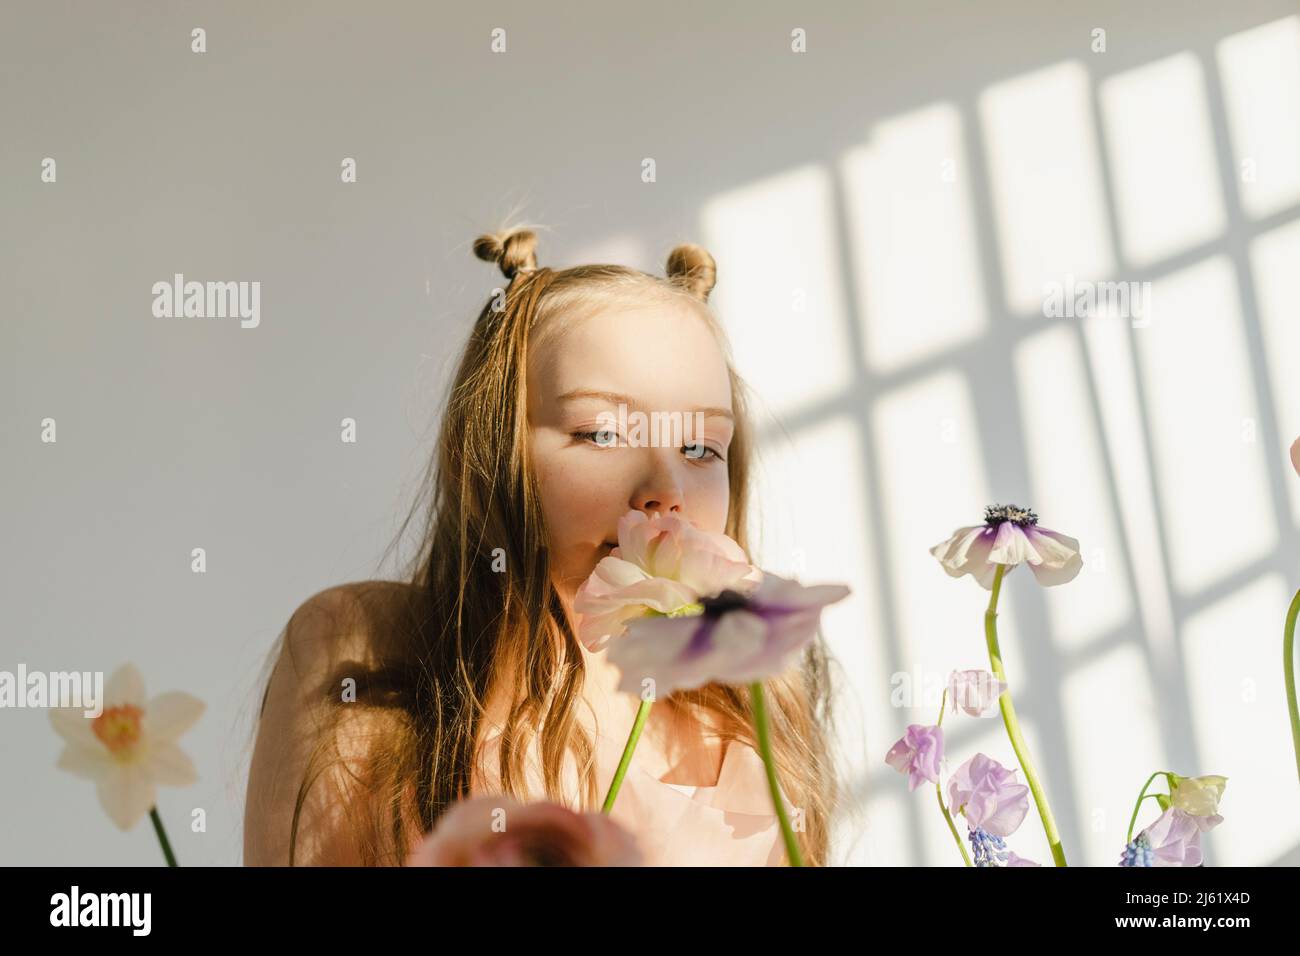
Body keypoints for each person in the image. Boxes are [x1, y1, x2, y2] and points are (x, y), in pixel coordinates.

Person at [242, 227, 841, 865]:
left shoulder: (752, 704)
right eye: (604, 432)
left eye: (700, 447)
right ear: (493, 454)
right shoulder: (362, 649)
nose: (664, 490)